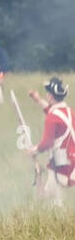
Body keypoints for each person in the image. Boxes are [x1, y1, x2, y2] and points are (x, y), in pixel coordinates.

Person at [28, 77, 74, 205]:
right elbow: (52, 112)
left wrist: (34, 150)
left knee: (51, 201)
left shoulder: (52, 117)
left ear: (50, 95)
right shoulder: (68, 112)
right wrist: (38, 100)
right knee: (51, 198)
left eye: (47, 93)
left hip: (60, 164)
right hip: (71, 161)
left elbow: (47, 142)